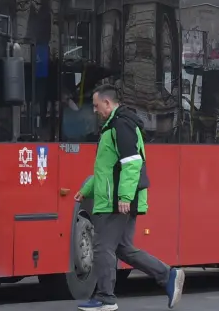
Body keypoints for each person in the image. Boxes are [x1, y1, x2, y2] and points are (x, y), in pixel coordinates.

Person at [75, 84, 184, 311]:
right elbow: (107, 169)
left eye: (96, 106)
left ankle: (106, 298)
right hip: (118, 197)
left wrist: (124, 196)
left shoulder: (120, 125)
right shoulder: (113, 126)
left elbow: (132, 164)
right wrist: (87, 189)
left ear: (107, 103)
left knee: (102, 246)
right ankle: (168, 275)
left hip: (116, 200)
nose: (95, 111)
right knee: (123, 248)